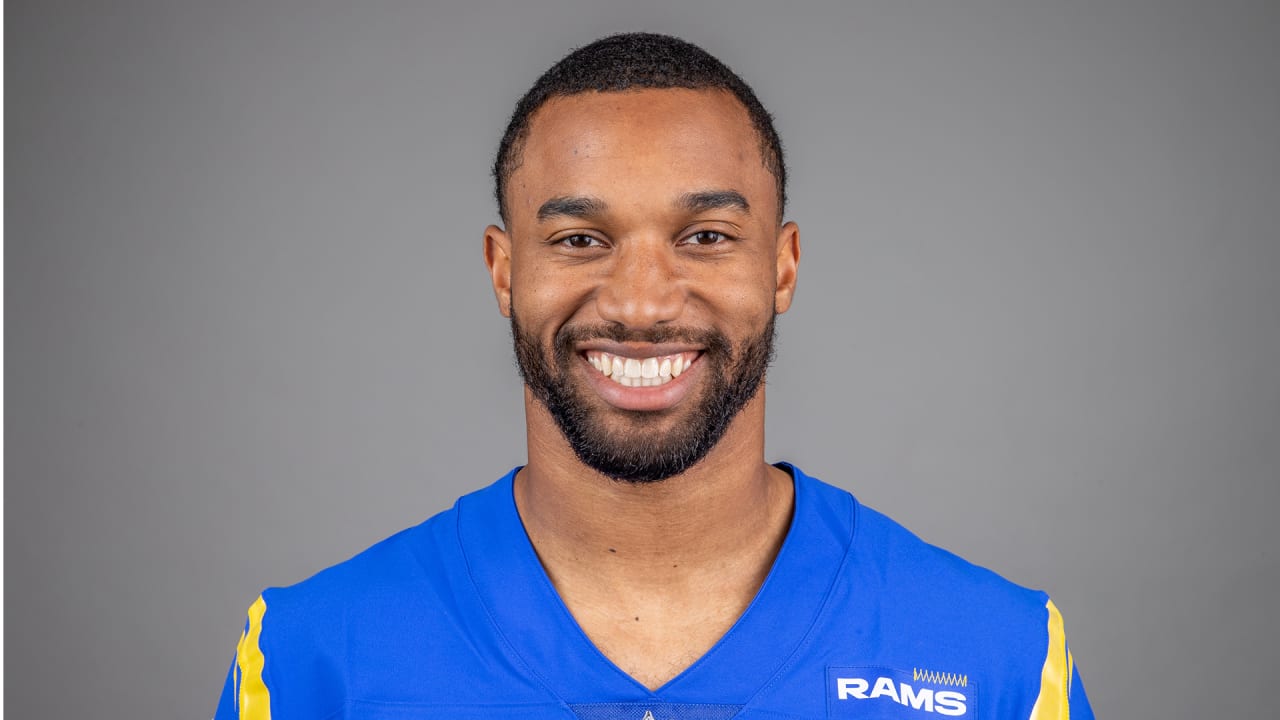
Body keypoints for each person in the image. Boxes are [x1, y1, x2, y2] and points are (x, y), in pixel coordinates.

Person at [215, 32, 1093, 720]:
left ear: (782, 267)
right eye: (579, 240)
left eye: (706, 236)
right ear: (503, 270)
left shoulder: (1001, 663)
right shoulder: (307, 659)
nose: (640, 304)